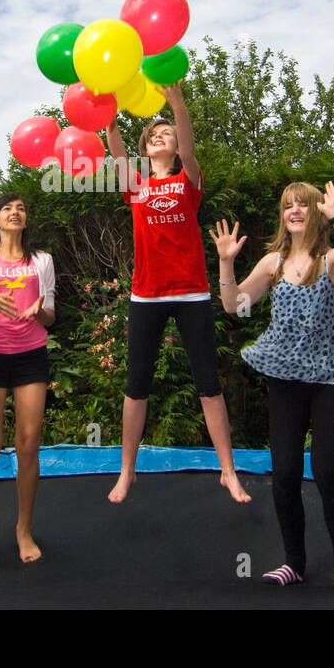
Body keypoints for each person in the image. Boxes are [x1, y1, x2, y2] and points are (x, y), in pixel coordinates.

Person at [103, 83, 251, 505]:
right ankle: (127, 471)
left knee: (208, 382)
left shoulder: (189, 180)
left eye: (164, 133)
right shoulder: (137, 187)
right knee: (136, 385)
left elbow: (187, 148)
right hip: (146, 296)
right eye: (152, 136)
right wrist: (108, 120)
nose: (160, 137)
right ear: (145, 149)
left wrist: (178, 105)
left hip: (191, 294)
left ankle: (228, 471)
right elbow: (115, 153)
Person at [211, 181, 334, 589]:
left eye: (302, 205)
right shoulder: (272, 263)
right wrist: (226, 262)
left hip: (330, 377)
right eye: (287, 206)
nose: (294, 210)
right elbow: (235, 305)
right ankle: (294, 563)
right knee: (285, 472)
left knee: (328, 471)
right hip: (285, 376)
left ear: (315, 212)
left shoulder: (329, 258)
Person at [0, 193, 56, 567]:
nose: (15, 212)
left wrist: (40, 312)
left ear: (26, 219)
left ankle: (23, 528)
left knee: (29, 442)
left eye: (21, 208)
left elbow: (51, 313)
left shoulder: (42, 260)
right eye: (7, 209)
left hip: (31, 355)